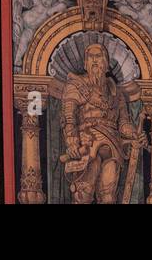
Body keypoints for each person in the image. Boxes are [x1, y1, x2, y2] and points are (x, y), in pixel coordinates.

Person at [60, 43, 145, 203]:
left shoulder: (116, 93)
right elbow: (68, 120)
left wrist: (135, 134)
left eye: (98, 57)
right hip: (87, 143)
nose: (94, 61)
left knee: (108, 197)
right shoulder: (75, 86)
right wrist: (72, 143)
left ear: (106, 64)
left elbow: (124, 124)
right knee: (83, 195)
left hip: (112, 146)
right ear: (85, 63)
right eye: (90, 57)